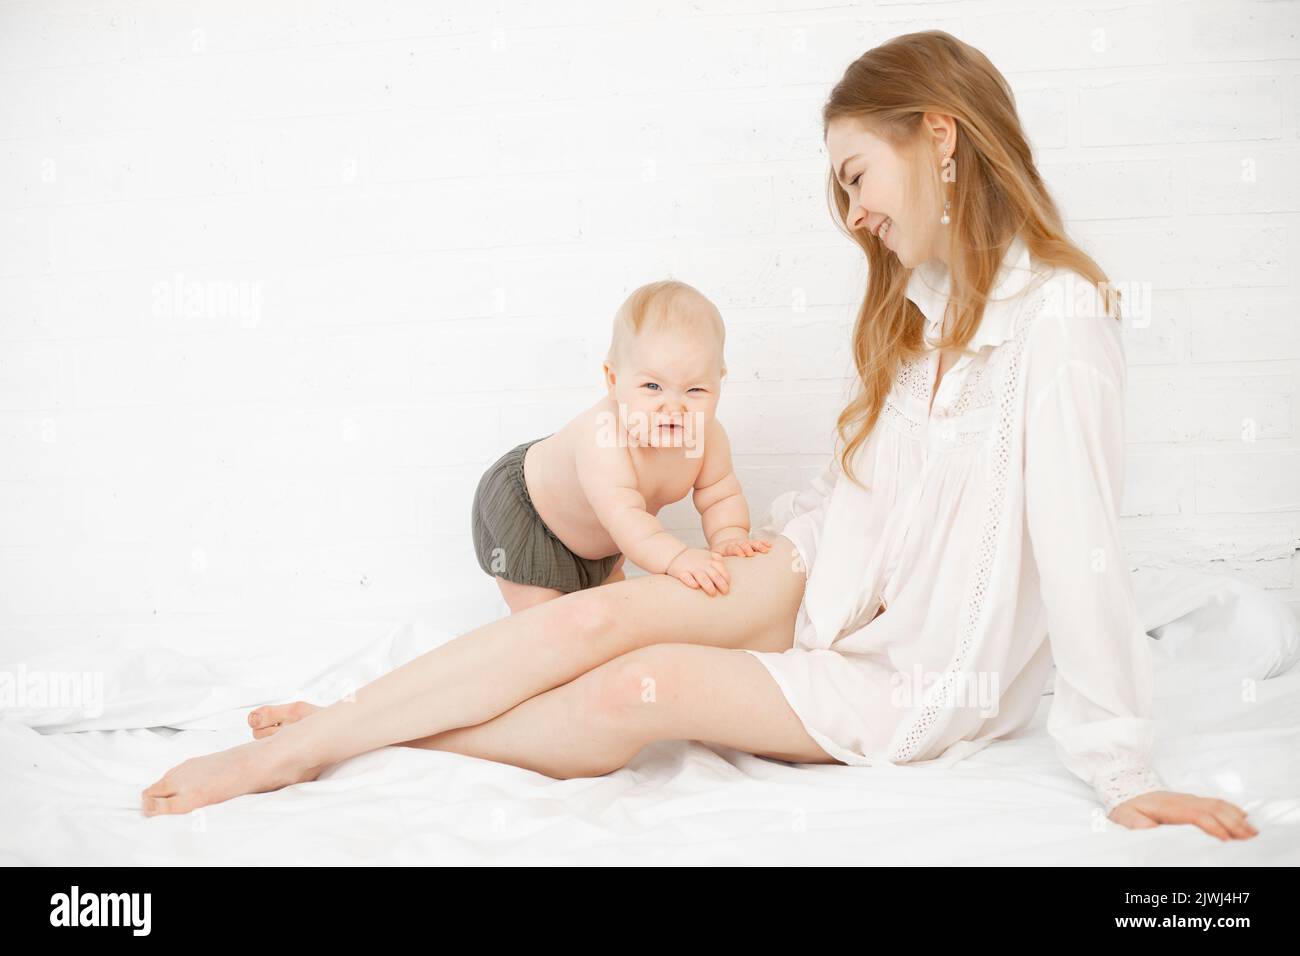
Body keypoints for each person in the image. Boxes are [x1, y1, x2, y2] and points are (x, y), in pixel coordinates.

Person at [141, 30, 1257, 840]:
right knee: (611, 613)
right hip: (816, 578)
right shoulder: (914, 318)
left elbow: (1080, 550)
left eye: (857, 174)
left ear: (942, 138)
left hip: (911, 675)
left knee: (638, 688)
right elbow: (864, 493)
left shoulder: (1058, 322)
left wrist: (1120, 766)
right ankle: (301, 738)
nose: (854, 211)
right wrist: (757, 550)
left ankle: (338, 739)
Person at [471, 278, 770, 615]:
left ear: (719, 382)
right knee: (547, 624)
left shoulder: (709, 437)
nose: (673, 408)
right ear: (614, 380)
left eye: (696, 391)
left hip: (602, 539)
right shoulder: (604, 439)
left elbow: (721, 495)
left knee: (612, 612)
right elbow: (623, 516)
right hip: (528, 513)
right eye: (653, 386)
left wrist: (729, 536)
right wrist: (676, 557)